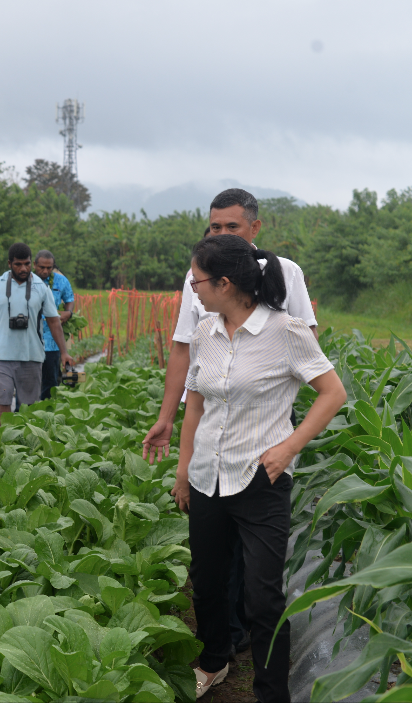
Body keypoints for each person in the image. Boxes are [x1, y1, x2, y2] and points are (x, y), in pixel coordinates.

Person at [142, 188, 318, 658]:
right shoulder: (201, 297)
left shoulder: (285, 281)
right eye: (214, 227)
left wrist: (281, 434)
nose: (219, 234)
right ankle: (225, 644)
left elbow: (307, 357)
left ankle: (251, 644)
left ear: (254, 230)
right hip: (212, 438)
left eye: (230, 227)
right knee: (213, 562)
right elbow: (187, 356)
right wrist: (169, 418)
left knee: (257, 565)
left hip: (263, 426)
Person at [173, 234, 345, 701]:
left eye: (198, 282)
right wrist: (183, 469)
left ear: (225, 283)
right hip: (208, 476)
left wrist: (289, 447)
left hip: (260, 481)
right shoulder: (206, 335)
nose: (194, 289)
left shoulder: (286, 332)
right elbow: (196, 406)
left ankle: (271, 692)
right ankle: (214, 661)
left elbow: (333, 393)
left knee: (263, 598)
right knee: (207, 583)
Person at [0, 242, 71, 427]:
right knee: (1, 401)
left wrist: (64, 352)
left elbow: (54, 322)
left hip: (31, 356)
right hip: (0, 356)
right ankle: (5, 441)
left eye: (27, 263)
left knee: (28, 406)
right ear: (9, 263)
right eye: (18, 264)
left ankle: (23, 449)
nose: (23, 268)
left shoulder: (41, 288)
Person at [33, 251, 75, 400]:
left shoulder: (61, 281)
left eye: (49, 268)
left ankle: (48, 412)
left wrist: (68, 312)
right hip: (30, 340)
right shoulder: (26, 281)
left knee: (50, 382)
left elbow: (69, 298)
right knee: (30, 382)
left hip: (52, 340)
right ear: (34, 265)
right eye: (42, 267)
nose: (45, 271)